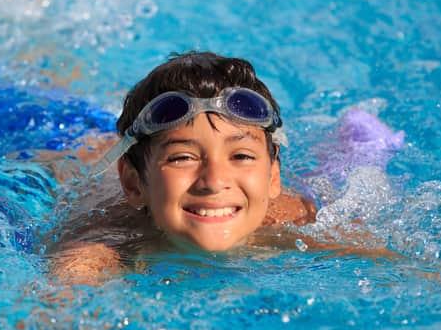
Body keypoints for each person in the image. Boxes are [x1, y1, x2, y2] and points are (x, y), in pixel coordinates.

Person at [46, 51, 340, 286]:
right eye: (182, 158)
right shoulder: (105, 242)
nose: (214, 182)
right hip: (62, 138)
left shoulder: (296, 219)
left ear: (273, 177)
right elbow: (63, 300)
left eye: (241, 156)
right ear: (134, 184)